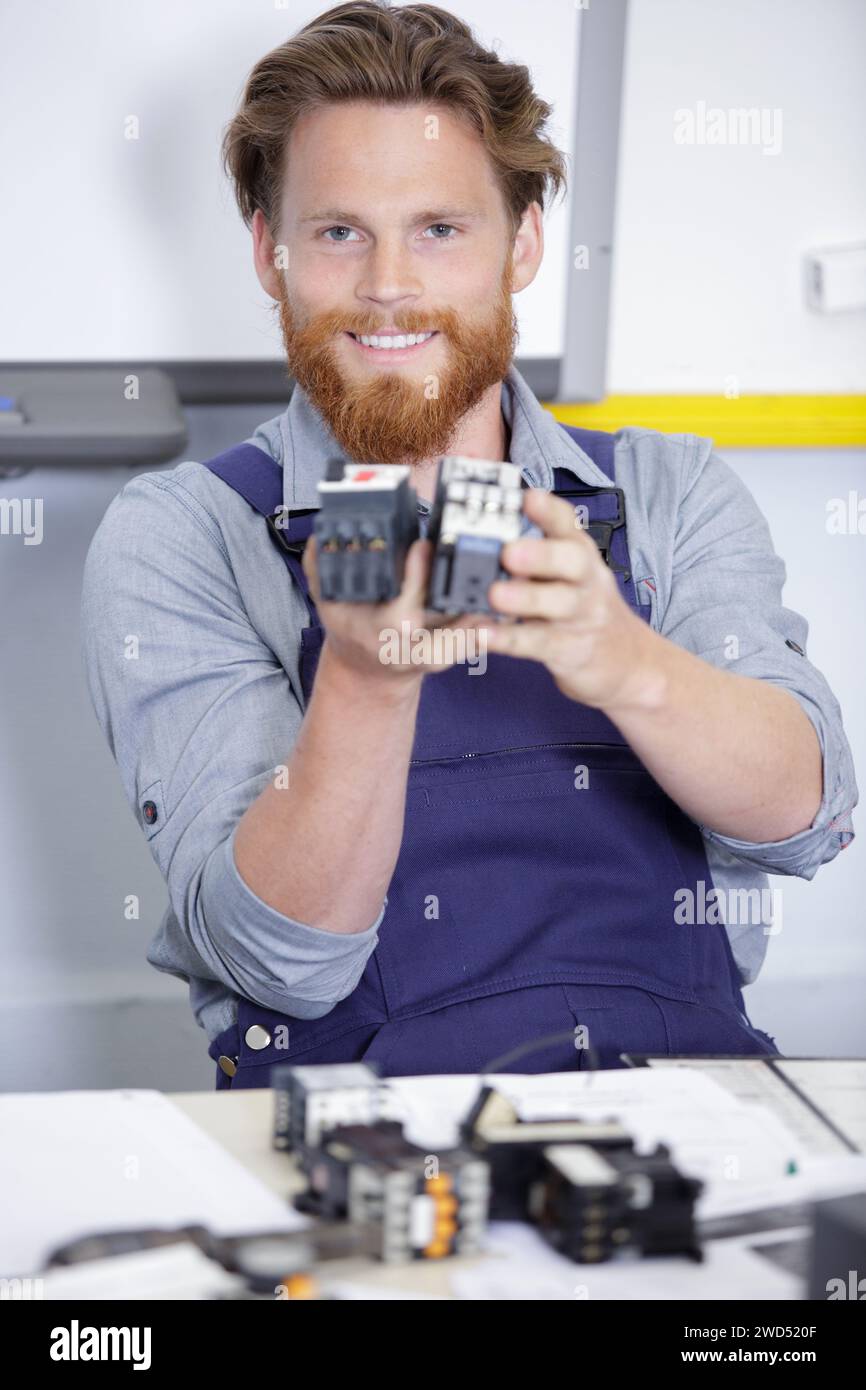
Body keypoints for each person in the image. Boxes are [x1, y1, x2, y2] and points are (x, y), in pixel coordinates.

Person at [81, 2, 856, 1085]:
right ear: (269, 251)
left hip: (683, 1112)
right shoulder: (185, 535)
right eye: (338, 232)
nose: (388, 285)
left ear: (523, 241)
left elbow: (806, 820)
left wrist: (628, 665)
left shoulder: (665, 490)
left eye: (439, 229)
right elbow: (280, 961)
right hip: (361, 1137)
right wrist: (365, 685)